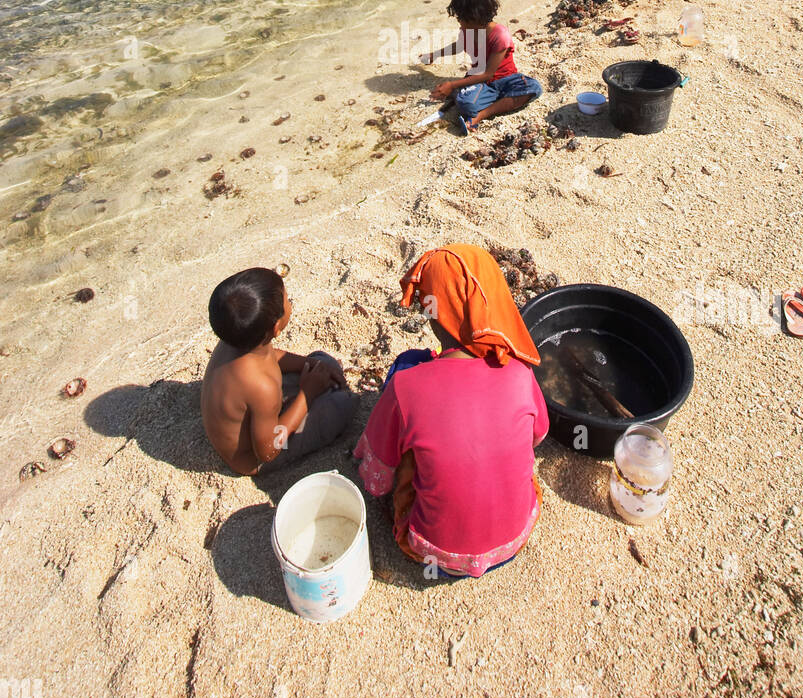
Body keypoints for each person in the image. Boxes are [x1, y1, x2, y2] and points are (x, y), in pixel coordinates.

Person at [353, 244, 549, 578]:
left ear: (431, 314)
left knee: (408, 379)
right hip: (515, 540)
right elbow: (538, 435)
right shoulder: (520, 372)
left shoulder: (406, 387)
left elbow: (376, 481)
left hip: (435, 556)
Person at [201, 267, 354, 475]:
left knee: (321, 361)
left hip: (253, 411)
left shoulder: (236, 336)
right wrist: (306, 395)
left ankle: (314, 380)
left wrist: (309, 366)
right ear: (276, 328)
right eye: (287, 300)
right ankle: (328, 400)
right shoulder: (262, 387)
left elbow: (270, 356)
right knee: (340, 405)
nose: (290, 303)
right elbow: (267, 451)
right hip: (254, 458)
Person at [421, 0, 542, 134]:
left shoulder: (500, 35)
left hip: (506, 79)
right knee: (467, 105)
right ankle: (493, 102)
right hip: (480, 82)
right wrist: (434, 55)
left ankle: (483, 114)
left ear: (474, 18)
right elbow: (458, 46)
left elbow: (488, 74)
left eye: (461, 18)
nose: (458, 21)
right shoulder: (467, 31)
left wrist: (452, 85)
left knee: (534, 88)